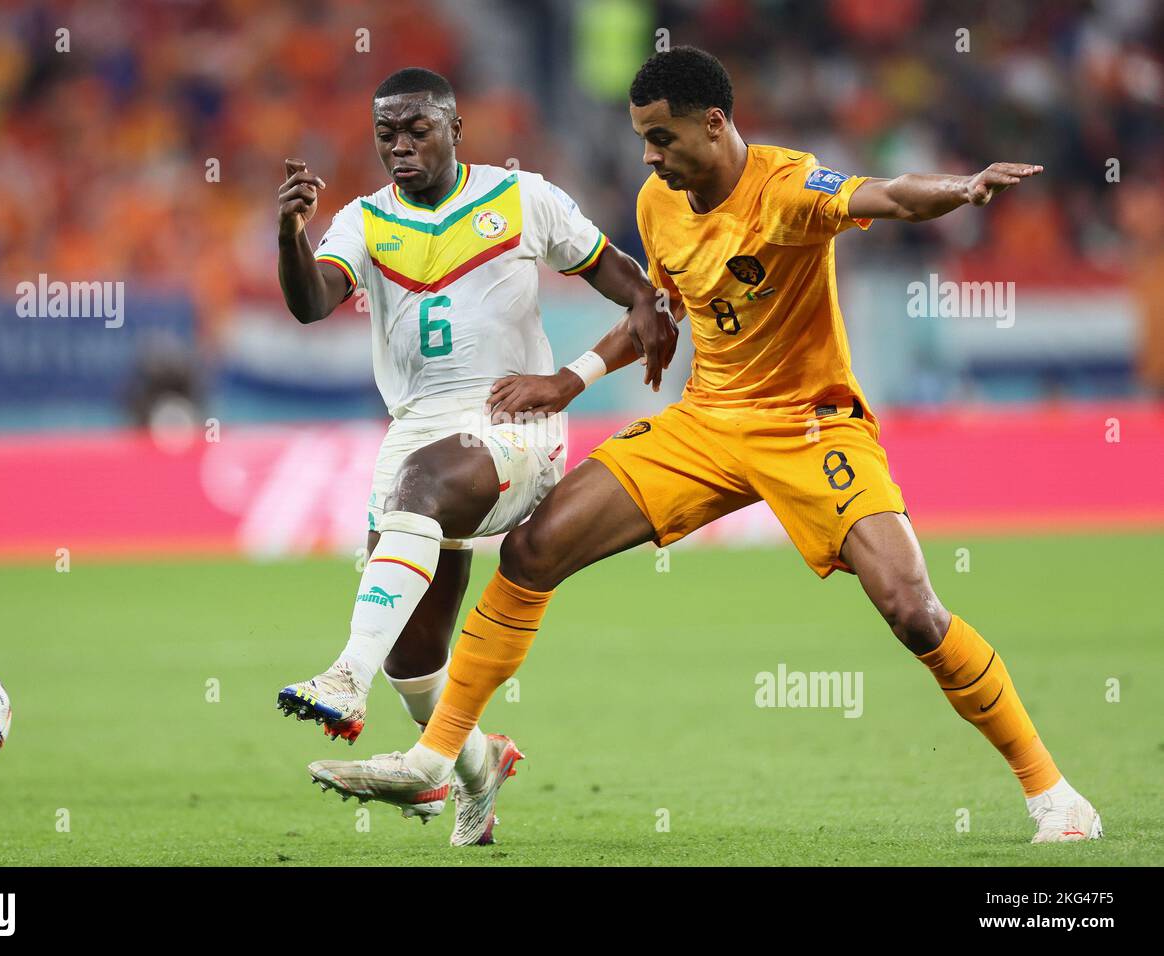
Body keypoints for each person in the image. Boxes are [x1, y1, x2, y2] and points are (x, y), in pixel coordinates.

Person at [307, 48, 1102, 846]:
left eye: (661, 138)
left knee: (913, 612)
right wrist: (571, 380)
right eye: (641, 139)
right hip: (706, 423)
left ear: (714, 124)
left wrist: (961, 189)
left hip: (810, 426)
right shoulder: (659, 202)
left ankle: (1054, 793)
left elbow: (887, 194)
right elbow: (661, 311)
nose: (648, 158)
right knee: (532, 550)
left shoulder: (790, 187)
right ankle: (440, 757)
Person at [275, 66, 676, 846]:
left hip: (513, 420)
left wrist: (569, 379)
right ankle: (480, 765)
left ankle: (345, 677)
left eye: (417, 129)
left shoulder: (523, 198)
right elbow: (309, 303)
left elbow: (641, 298)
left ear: (455, 129)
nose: (400, 146)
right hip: (415, 431)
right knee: (416, 664)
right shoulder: (364, 219)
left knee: (421, 490)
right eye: (386, 133)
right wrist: (290, 234)